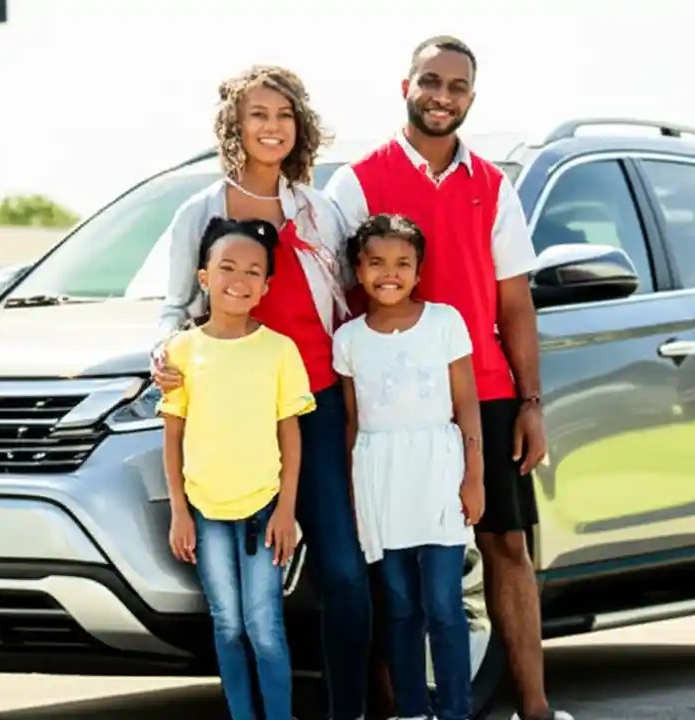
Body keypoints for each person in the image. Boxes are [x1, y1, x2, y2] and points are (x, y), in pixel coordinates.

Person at [324, 36, 572, 720]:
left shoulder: (493, 186)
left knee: (506, 544)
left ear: (471, 97)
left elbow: (515, 302)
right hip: (388, 402)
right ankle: (395, 708)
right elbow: (334, 293)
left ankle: (535, 708)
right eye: (430, 81)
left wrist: (530, 402)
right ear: (405, 86)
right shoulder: (357, 183)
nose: (442, 96)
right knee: (389, 558)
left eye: (457, 86)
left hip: (484, 392)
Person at [152, 65, 373, 720]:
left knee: (342, 569)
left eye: (284, 115)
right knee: (241, 601)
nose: (272, 127)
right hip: (229, 420)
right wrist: (162, 353)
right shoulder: (200, 213)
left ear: (299, 126)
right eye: (257, 115)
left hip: (316, 404)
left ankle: (349, 710)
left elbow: (352, 299)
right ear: (235, 125)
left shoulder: (320, 210)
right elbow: (173, 309)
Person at [158, 216, 312, 720]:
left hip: (264, 511)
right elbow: (173, 437)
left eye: (253, 272)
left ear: (266, 286)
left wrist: (286, 510)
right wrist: (179, 512)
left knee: (264, 626)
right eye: (227, 267)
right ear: (204, 276)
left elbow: (291, 434)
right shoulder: (182, 351)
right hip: (205, 513)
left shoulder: (279, 350)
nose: (239, 280)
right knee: (227, 624)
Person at [333, 213, 484, 720]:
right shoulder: (348, 340)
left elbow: (467, 404)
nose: (389, 274)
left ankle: (456, 711)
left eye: (402, 263)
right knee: (398, 604)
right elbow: (353, 422)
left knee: (443, 602)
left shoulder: (444, 323)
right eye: (376, 263)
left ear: (419, 271)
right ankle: (412, 711)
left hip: (437, 471)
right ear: (359, 269)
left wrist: (474, 476)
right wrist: (354, 495)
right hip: (379, 478)